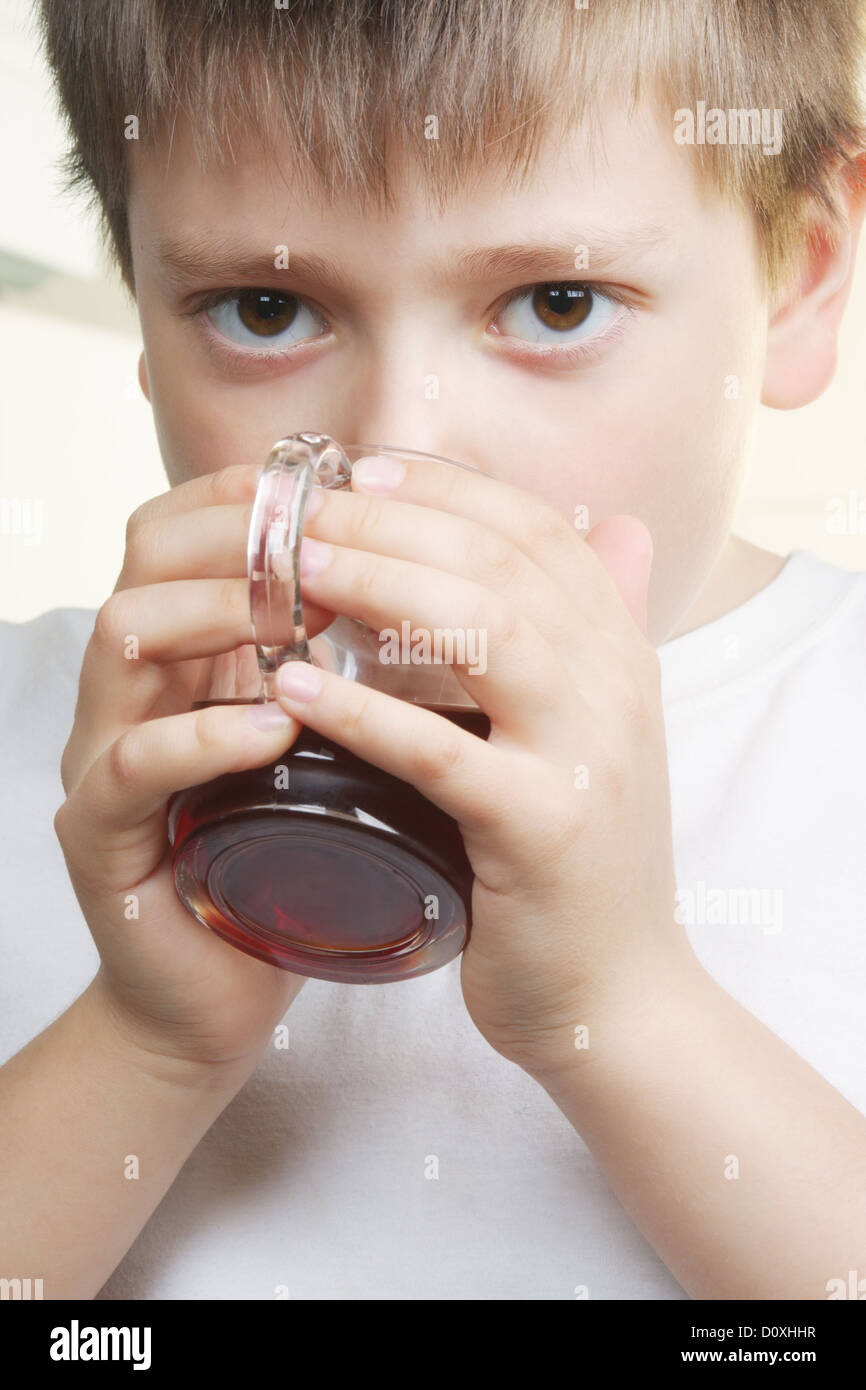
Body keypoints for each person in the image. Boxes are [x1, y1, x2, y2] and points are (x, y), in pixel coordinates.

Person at [2, 0, 866, 1300]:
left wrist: (625, 1007)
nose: (395, 461)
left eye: (555, 301)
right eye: (265, 306)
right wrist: (148, 1038)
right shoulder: (40, 740)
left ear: (797, 275)